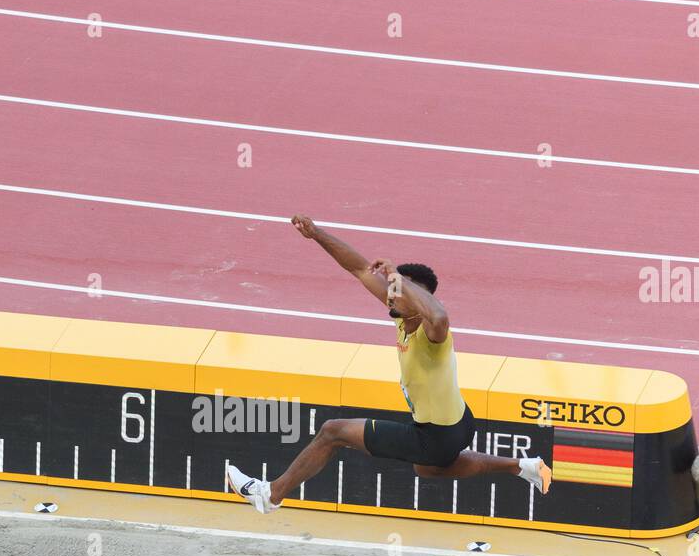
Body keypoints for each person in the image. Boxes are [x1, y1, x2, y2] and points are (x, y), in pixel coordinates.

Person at [227, 215, 552, 514]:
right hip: (459, 423)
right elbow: (358, 268)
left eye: (400, 291)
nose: (392, 296)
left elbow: (439, 314)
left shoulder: (432, 333)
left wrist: (399, 277)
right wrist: (317, 235)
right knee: (426, 467)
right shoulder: (403, 316)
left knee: (332, 432)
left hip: (436, 435)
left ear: (417, 299)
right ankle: (522, 467)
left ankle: (270, 495)